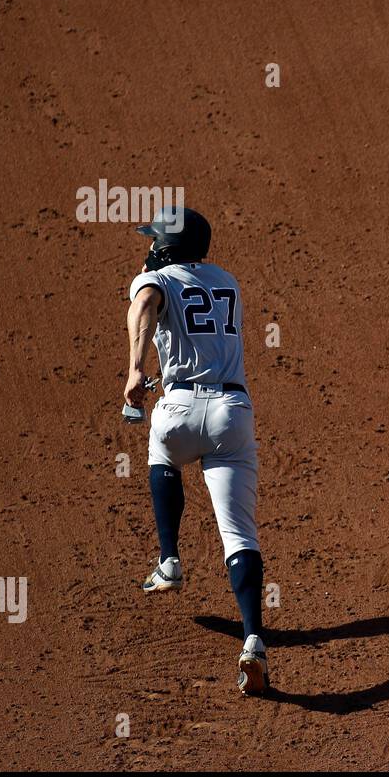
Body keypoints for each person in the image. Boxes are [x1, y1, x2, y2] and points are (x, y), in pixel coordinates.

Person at [123, 206, 268, 695]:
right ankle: (253, 640)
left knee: (162, 454)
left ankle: (170, 560)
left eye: (153, 239)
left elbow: (143, 304)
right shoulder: (228, 281)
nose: (147, 246)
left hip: (179, 410)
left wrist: (135, 369)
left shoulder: (155, 278)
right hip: (232, 412)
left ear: (165, 247)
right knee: (239, 534)